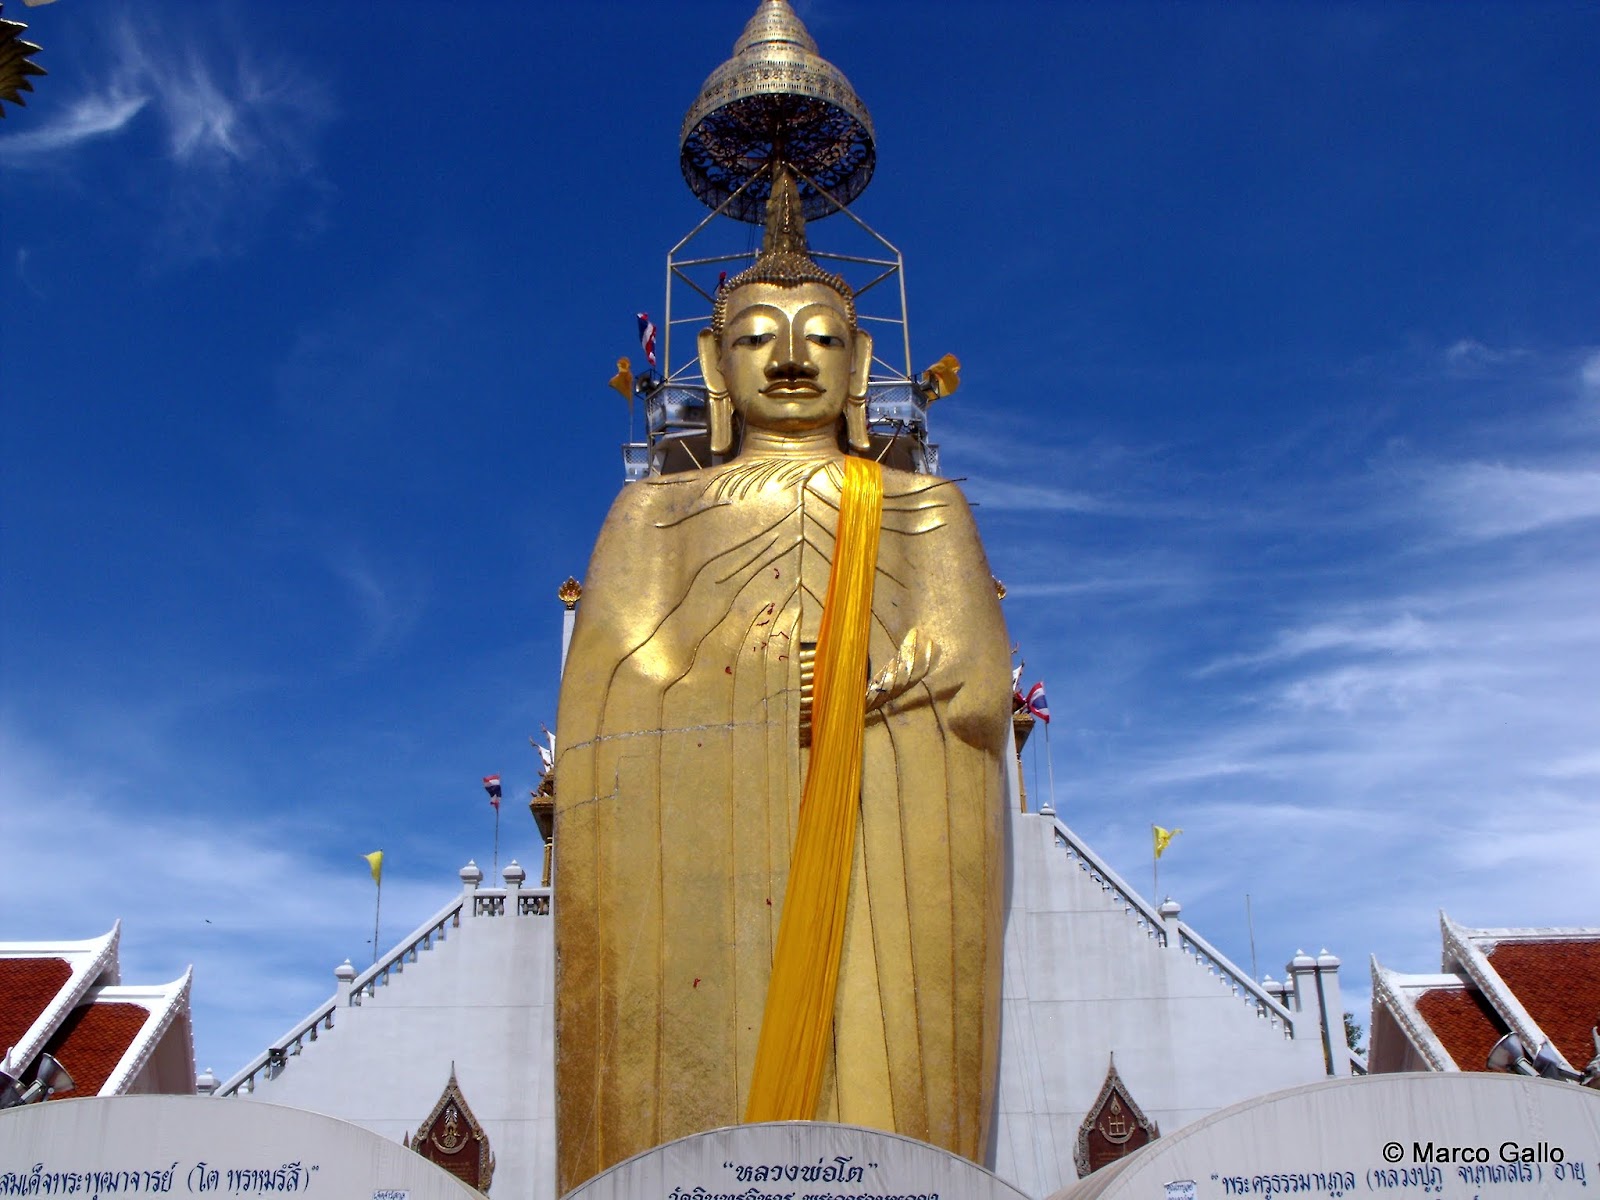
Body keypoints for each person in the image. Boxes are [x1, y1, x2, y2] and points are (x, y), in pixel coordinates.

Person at [553, 168, 1011, 1195]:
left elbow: (977, 680)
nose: (792, 356)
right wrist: (763, 675)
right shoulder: (651, 515)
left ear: (859, 368)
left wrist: (884, 679)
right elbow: (611, 688)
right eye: (759, 334)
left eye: (821, 335)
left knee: (890, 1059)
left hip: (888, 839)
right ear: (714, 367)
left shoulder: (924, 506)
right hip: (703, 875)